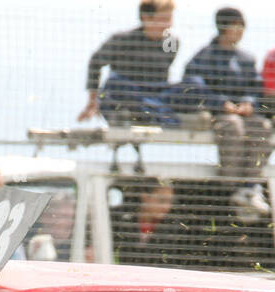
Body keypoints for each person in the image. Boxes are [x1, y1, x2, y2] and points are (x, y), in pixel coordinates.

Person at [77, 1, 254, 200]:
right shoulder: (122, 40)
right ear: (146, 18)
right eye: (162, 19)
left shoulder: (171, 42)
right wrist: (92, 101)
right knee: (115, 84)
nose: (167, 24)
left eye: (169, 19)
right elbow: (96, 63)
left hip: (157, 94)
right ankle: (157, 113)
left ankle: (168, 112)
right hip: (128, 90)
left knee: (192, 84)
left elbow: (165, 78)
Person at [180, 7, 273, 216]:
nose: (240, 31)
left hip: (243, 112)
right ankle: (232, 186)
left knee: (262, 127)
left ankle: (250, 187)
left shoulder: (246, 58)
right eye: (236, 26)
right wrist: (220, 103)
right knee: (232, 126)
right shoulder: (204, 56)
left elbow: (255, 86)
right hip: (219, 112)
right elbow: (193, 84)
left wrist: (249, 102)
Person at [113, 177, 187, 266]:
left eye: (170, 202)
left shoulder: (174, 231)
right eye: (161, 201)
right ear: (145, 197)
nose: (166, 207)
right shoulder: (122, 225)